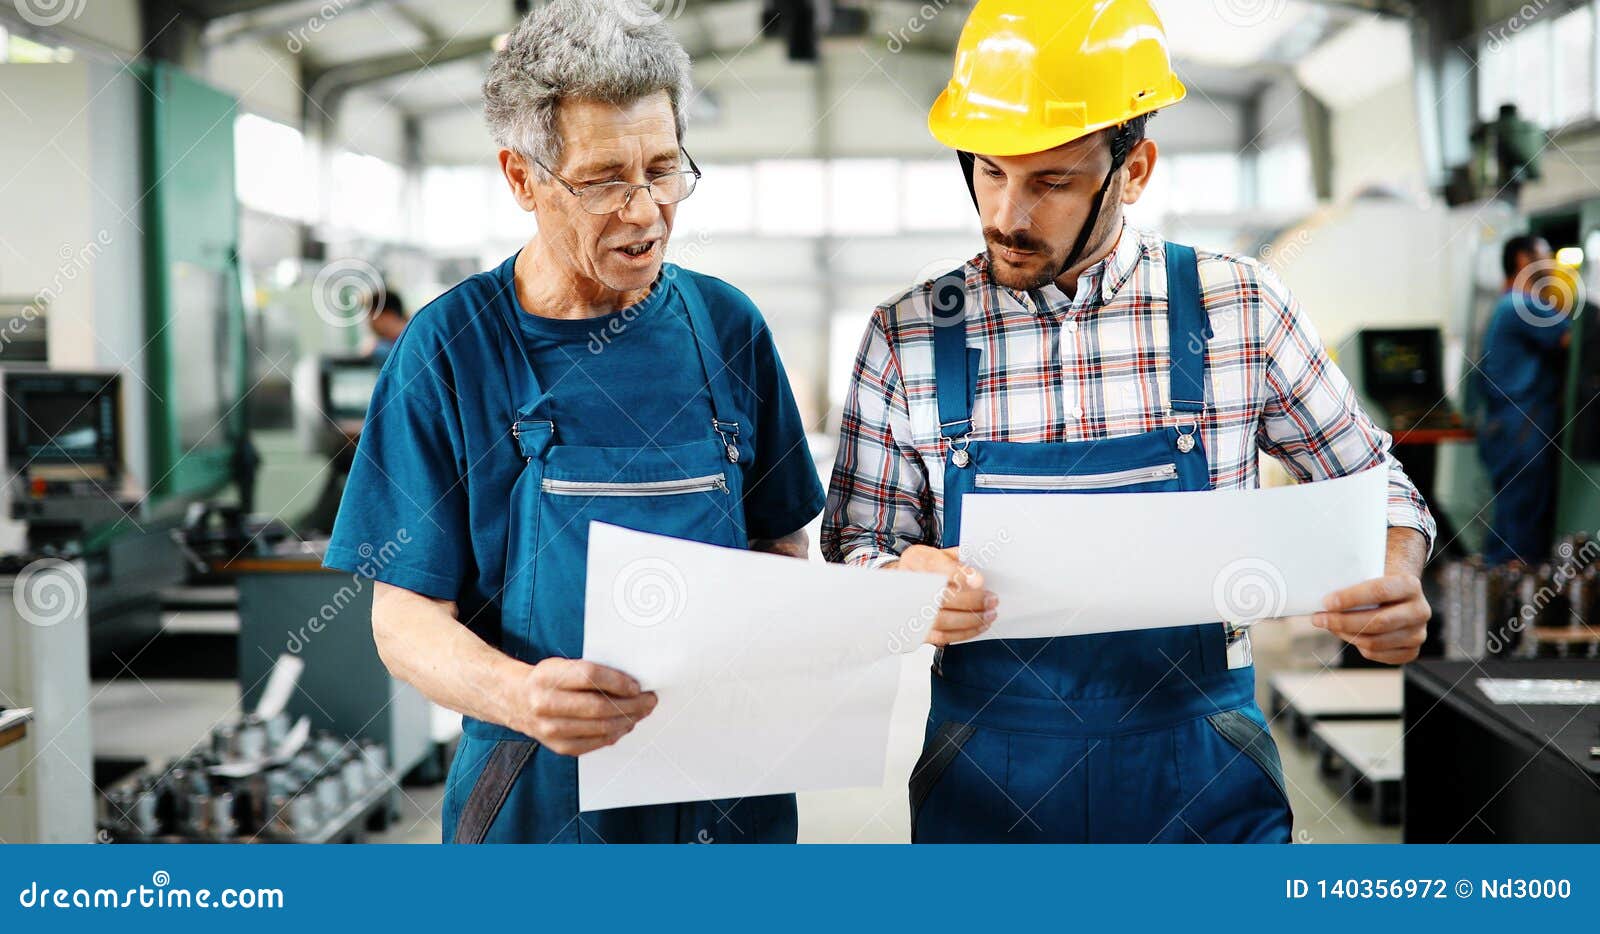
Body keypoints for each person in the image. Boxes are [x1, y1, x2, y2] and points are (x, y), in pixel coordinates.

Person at [822, 0, 1436, 844]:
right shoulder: (910, 336)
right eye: (990, 172)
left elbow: (1379, 488)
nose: (1007, 215)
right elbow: (855, 547)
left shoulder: (1238, 306)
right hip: (989, 776)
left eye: (1052, 182)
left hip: (1201, 766)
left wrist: (1395, 575)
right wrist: (901, 583)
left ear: (1134, 169)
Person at [324, 0, 824, 843]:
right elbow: (402, 620)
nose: (646, 211)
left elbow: (780, 543)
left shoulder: (727, 327)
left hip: (727, 793)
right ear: (522, 178)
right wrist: (521, 695)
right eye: (603, 182)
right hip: (540, 799)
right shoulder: (450, 349)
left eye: (663, 169)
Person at [1477, 235, 1574, 565]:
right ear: (1523, 260)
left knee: (1512, 517)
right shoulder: (1524, 304)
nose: (1552, 264)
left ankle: (1500, 584)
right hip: (1523, 424)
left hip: (1508, 425)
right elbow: (1572, 338)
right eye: (1545, 255)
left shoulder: (1506, 304)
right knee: (1522, 525)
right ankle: (1511, 587)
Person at [366, 290, 408, 364]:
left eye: (372, 316)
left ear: (388, 315)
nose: (370, 323)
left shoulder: (384, 351)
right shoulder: (386, 343)